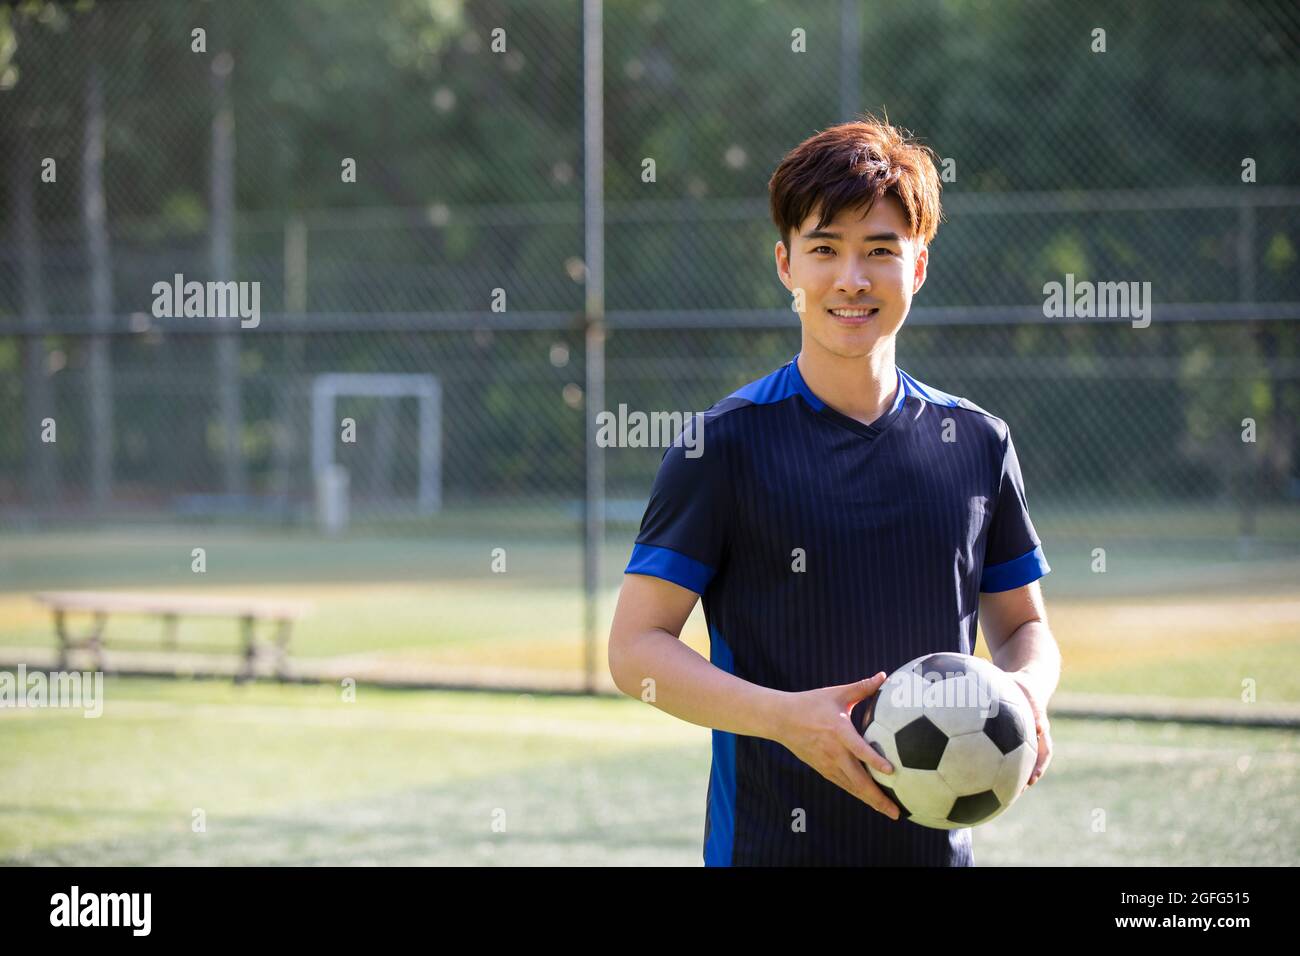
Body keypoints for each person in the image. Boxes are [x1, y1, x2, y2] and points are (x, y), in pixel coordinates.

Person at [607, 115, 1060, 866]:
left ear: (918, 268)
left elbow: (1023, 629)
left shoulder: (978, 442)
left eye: (880, 250)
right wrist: (787, 719)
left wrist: (1025, 694)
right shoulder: (722, 445)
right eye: (825, 250)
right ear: (786, 265)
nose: (852, 278)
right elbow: (635, 649)